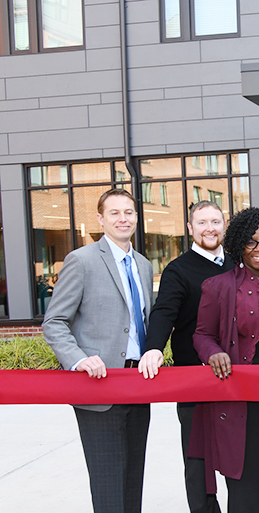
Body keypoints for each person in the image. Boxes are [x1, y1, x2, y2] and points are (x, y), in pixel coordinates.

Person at [43, 188, 154, 513]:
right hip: (98, 388)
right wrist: (77, 358)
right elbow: (54, 322)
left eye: (129, 212)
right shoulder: (82, 260)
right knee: (108, 484)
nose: (123, 219)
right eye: (115, 213)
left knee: (134, 480)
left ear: (136, 217)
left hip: (138, 386)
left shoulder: (144, 266)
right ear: (100, 219)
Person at [191, 207, 259, 513]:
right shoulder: (220, 285)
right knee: (249, 478)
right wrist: (214, 353)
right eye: (252, 242)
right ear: (239, 244)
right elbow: (201, 335)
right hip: (246, 393)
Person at [140, 200, 232, 513]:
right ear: (191, 229)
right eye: (203, 223)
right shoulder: (178, 270)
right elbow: (164, 311)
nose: (210, 228)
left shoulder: (238, 264)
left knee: (237, 453)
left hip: (236, 379)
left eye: (216, 222)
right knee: (198, 459)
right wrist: (154, 346)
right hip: (195, 378)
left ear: (224, 225)